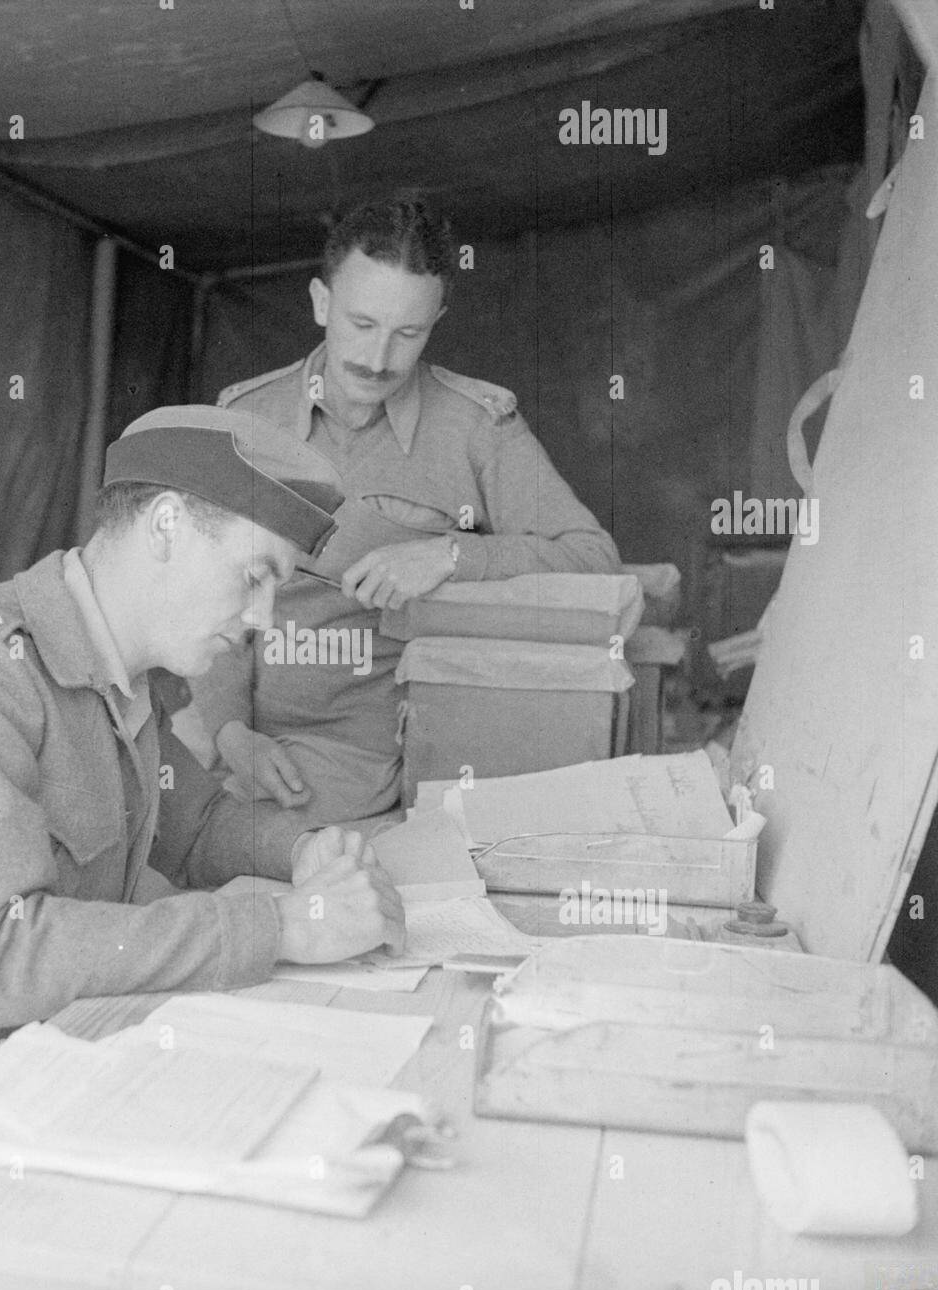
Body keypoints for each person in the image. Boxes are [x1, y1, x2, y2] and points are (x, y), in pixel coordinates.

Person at [0, 404, 404, 1269]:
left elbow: (191, 817)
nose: (264, 617)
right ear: (166, 525)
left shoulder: (110, 674)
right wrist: (282, 928)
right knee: (200, 1245)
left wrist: (299, 853)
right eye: (253, 574)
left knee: (272, 1166)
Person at [190, 196, 621, 825]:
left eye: (408, 333)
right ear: (320, 303)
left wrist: (449, 555)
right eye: (361, 324)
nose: (378, 358)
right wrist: (229, 731)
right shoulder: (244, 419)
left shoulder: (477, 427)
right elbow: (209, 592)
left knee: (247, 863)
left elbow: (592, 557)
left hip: (363, 752)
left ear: (437, 320)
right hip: (231, 726)